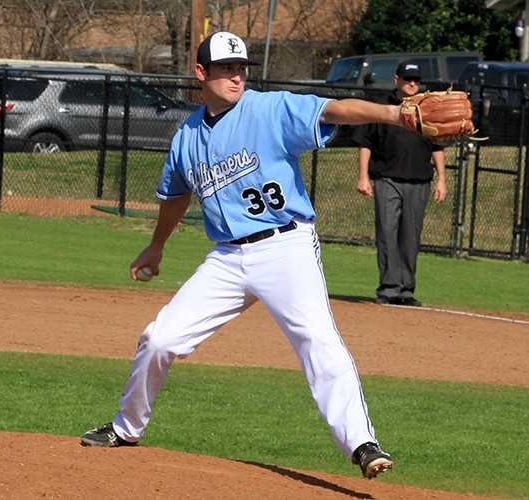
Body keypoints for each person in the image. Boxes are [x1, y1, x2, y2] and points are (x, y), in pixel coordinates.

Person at [80, 31, 411, 479]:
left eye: (241, 68)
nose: (236, 76)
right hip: (227, 258)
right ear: (201, 73)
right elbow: (175, 197)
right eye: (225, 68)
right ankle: (125, 427)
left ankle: (362, 444)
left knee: (317, 339)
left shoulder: (269, 108)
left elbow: (332, 109)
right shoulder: (187, 136)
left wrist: (394, 113)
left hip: (286, 246)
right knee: (159, 338)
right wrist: (156, 246)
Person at [351, 61, 447, 308]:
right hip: (387, 178)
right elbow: (366, 143)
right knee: (387, 233)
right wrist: (363, 176)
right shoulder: (381, 108)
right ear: (397, 80)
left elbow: (438, 146)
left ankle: (405, 289)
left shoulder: (428, 109)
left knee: (410, 237)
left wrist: (442, 180)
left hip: (420, 180)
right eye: (407, 79)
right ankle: (389, 288)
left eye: (416, 79)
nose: (412, 83)